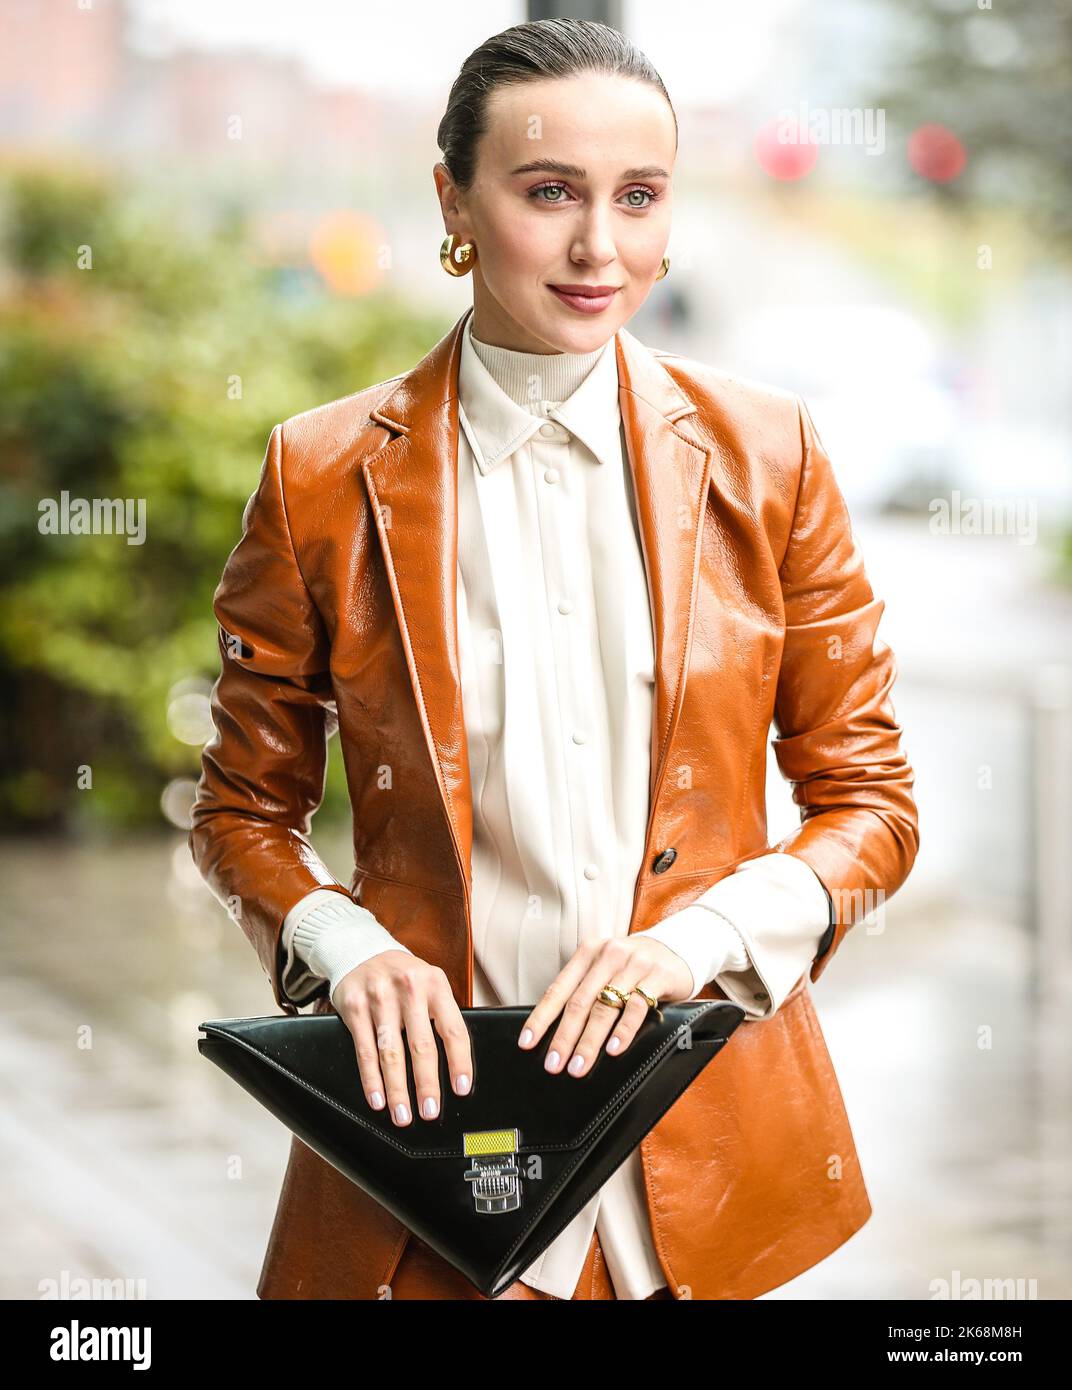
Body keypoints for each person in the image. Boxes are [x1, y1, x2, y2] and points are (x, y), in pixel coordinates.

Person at [190, 18, 919, 1301]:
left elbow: (871, 807)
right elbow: (243, 810)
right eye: (548, 194)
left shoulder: (773, 455)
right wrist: (346, 944)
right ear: (453, 201)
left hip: (697, 1169)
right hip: (425, 1160)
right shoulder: (316, 477)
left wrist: (698, 939)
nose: (601, 249)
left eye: (638, 198)